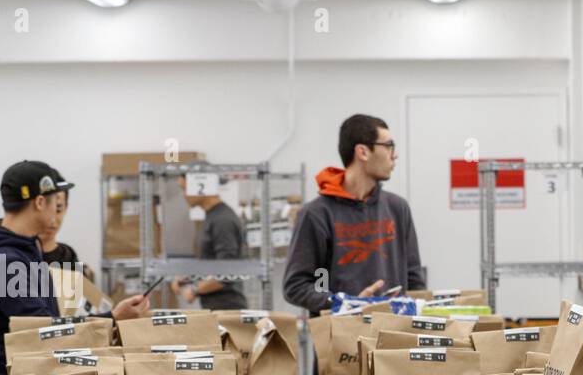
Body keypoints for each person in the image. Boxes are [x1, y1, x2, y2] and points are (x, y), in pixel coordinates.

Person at [0, 160, 147, 375]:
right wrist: (114, 318)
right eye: (55, 202)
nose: (56, 211)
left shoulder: (23, 250)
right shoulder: (4, 262)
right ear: (40, 202)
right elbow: (44, 332)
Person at [282, 113, 425, 312]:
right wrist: (344, 303)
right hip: (341, 337)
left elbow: (414, 279)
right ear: (363, 152)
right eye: (389, 145)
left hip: (393, 336)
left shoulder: (397, 208)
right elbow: (298, 284)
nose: (395, 154)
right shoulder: (317, 214)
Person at [170, 176, 249, 311]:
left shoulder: (222, 221)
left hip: (227, 310)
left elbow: (226, 274)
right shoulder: (212, 216)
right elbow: (212, 265)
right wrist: (187, 278)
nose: (183, 195)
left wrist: (195, 290)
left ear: (201, 185)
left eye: (185, 189)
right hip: (216, 308)